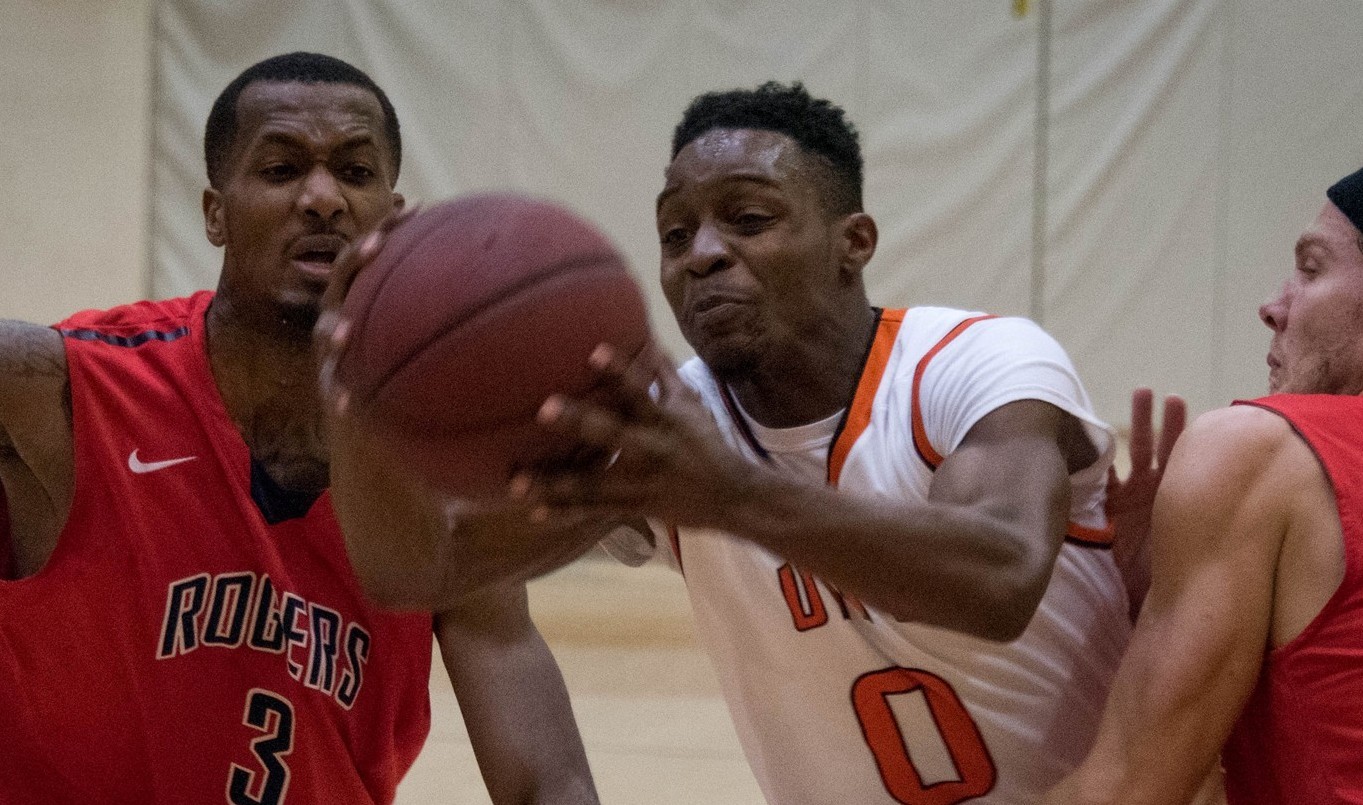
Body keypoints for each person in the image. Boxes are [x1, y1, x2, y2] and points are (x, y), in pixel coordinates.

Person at [513, 81, 1148, 804]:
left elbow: (997, 583)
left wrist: (735, 497)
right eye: (675, 235)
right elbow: (457, 566)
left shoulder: (976, 364)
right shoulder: (673, 420)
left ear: (854, 242)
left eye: (748, 219)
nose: (702, 254)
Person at [0, 52, 597, 804]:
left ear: (394, 220)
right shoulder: (64, 391)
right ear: (215, 213)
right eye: (282, 170)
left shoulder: (443, 467)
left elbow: (545, 779)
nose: (322, 199)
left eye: (354, 171)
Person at [1043, 166, 1363, 804]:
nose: (1273, 306)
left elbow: (1130, 791)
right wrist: (1161, 611)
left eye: (1311, 269)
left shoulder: (1260, 450)